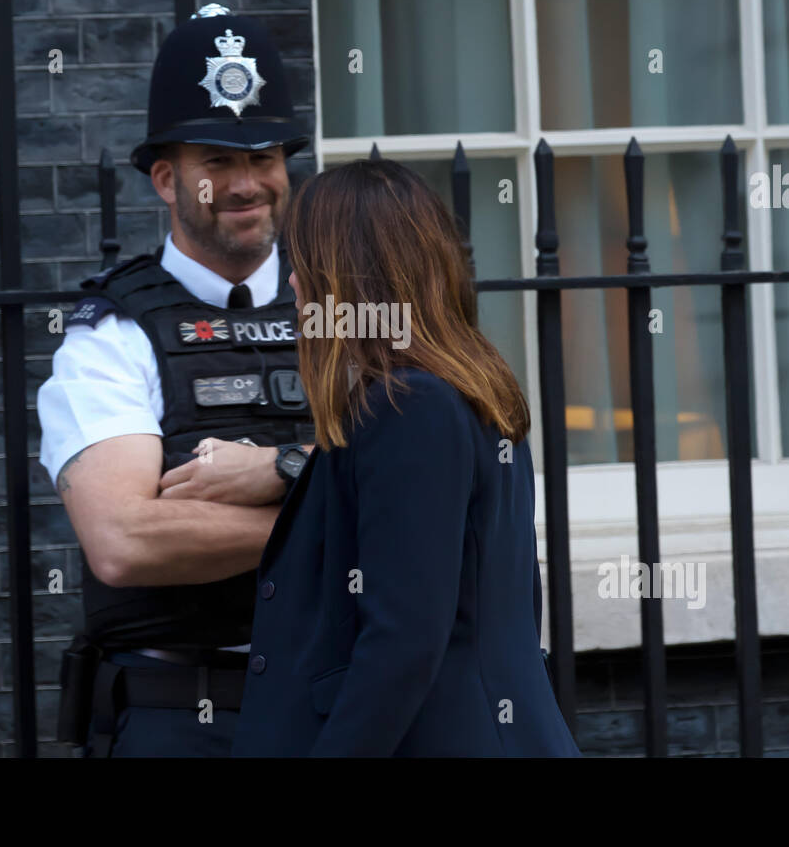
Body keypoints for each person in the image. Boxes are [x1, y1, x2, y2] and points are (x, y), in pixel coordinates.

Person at [231, 159, 582, 757]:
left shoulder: (408, 405)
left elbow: (403, 641)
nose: (292, 284)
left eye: (304, 262)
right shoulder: (472, 391)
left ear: (348, 279)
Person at [38, 3, 314, 757]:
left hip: (344, 705)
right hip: (185, 715)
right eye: (216, 163)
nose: (246, 183)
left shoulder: (345, 311)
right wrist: (344, 522)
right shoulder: (113, 334)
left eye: (262, 156)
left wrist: (285, 469)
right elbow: (126, 541)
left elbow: (428, 478)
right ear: (166, 178)